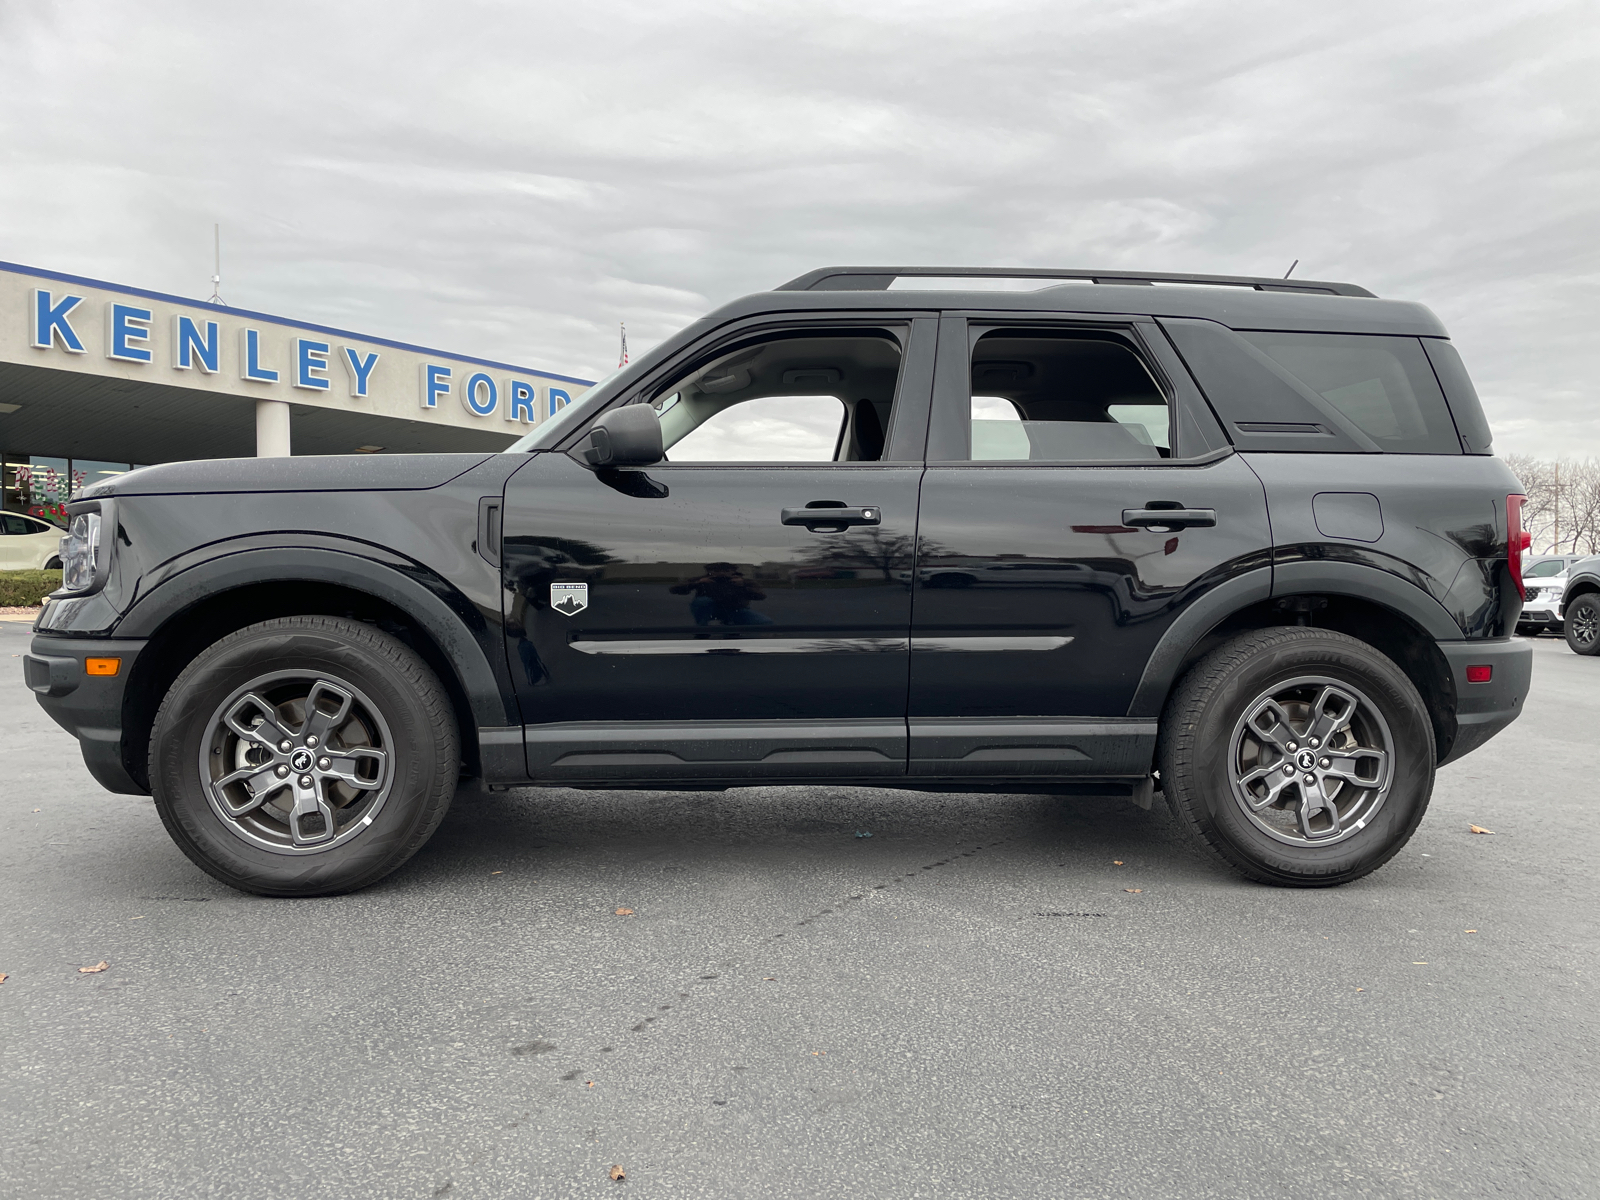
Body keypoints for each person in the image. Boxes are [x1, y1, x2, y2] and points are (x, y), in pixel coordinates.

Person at [670, 562, 775, 626]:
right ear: (709, 571)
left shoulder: (743, 581)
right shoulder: (702, 580)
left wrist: (743, 586)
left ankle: (731, 624)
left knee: (765, 623)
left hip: (736, 610)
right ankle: (702, 626)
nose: (721, 573)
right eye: (716, 570)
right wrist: (697, 584)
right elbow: (674, 590)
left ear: (733, 571)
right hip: (711, 610)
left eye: (726, 570)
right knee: (702, 601)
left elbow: (761, 595)